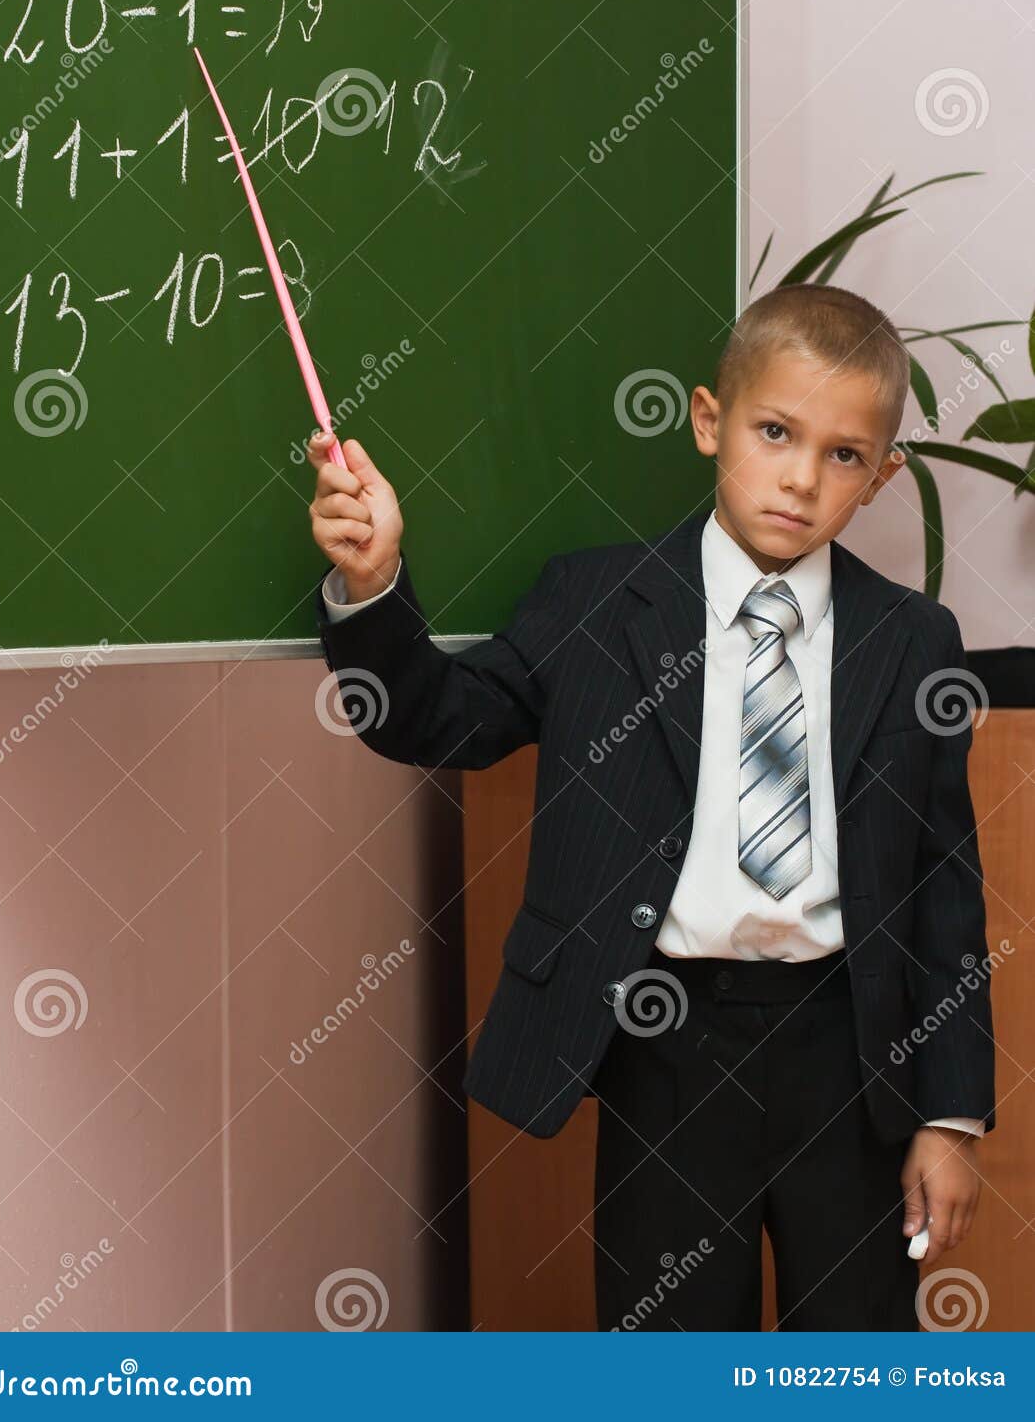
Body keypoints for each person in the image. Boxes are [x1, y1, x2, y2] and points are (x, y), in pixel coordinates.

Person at [307, 283, 996, 1330]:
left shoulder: (909, 640)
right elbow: (440, 722)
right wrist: (374, 582)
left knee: (862, 1360)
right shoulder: (591, 603)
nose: (801, 478)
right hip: (662, 1042)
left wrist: (950, 1116)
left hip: (848, 1057)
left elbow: (944, 893)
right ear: (709, 421)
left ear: (881, 474)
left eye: (843, 454)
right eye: (773, 432)